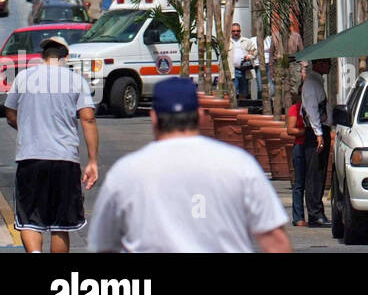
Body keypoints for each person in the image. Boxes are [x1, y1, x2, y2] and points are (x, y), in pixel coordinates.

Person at [88, 78, 291, 252]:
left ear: (154, 117)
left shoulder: (126, 173)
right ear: (201, 116)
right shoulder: (239, 164)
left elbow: (104, 244)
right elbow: (275, 241)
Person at [3, 36, 99, 253]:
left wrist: (28, 128)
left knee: (28, 220)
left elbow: (10, 113)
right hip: (65, 160)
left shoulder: (24, 77)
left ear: (42, 56)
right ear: (65, 57)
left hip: (30, 158)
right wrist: (92, 160)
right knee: (60, 224)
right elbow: (88, 119)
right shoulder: (76, 80)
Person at [300, 58, 333, 226]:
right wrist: (318, 134)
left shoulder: (317, 82)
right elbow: (311, 109)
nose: (330, 65)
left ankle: (317, 210)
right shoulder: (311, 84)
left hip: (321, 131)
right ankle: (314, 213)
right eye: (327, 62)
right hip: (315, 133)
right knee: (314, 173)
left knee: (319, 172)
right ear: (319, 63)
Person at [286, 91, 308, 227]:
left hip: (313, 147)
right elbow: (290, 129)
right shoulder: (295, 108)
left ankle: (315, 214)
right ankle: (298, 217)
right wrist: (306, 132)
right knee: (299, 183)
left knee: (313, 183)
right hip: (300, 147)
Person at [228, 24, 257, 99]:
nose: (236, 33)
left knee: (244, 91)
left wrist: (249, 56)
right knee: (234, 91)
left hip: (244, 69)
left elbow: (254, 51)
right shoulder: (227, 42)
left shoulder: (246, 41)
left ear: (240, 31)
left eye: (237, 31)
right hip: (233, 70)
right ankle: (235, 107)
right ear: (231, 32)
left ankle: (243, 107)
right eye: (234, 31)